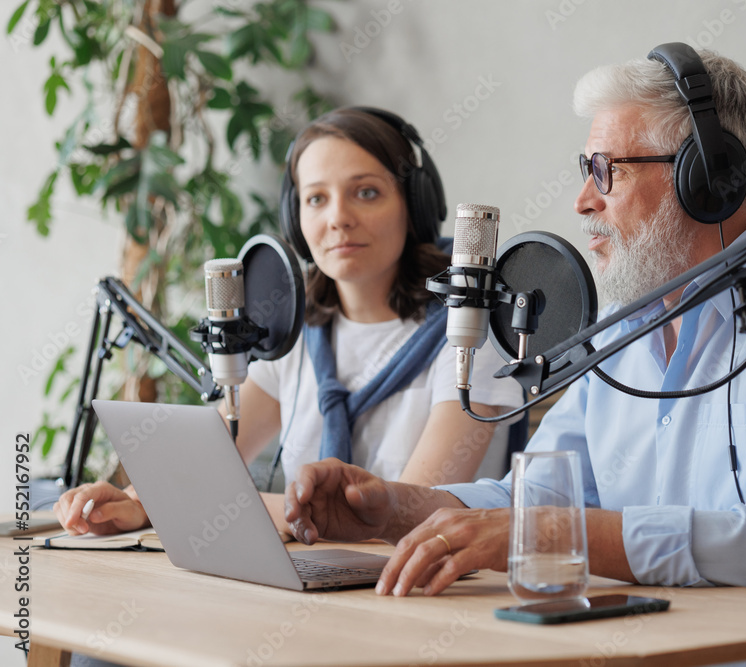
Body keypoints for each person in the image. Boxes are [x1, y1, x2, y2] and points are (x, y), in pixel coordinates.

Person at [281, 48, 746, 667]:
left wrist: (559, 535)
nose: (582, 202)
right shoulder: (633, 324)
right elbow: (531, 500)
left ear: (707, 179)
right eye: (583, 170)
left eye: (604, 171)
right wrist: (391, 508)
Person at [54, 107, 524, 538]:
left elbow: (412, 516)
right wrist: (139, 503)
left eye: (366, 192)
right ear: (295, 219)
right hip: (318, 579)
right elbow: (206, 466)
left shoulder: (470, 334)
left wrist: (205, 506)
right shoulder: (297, 331)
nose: (338, 218)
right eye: (316, 199)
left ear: (414, 205)